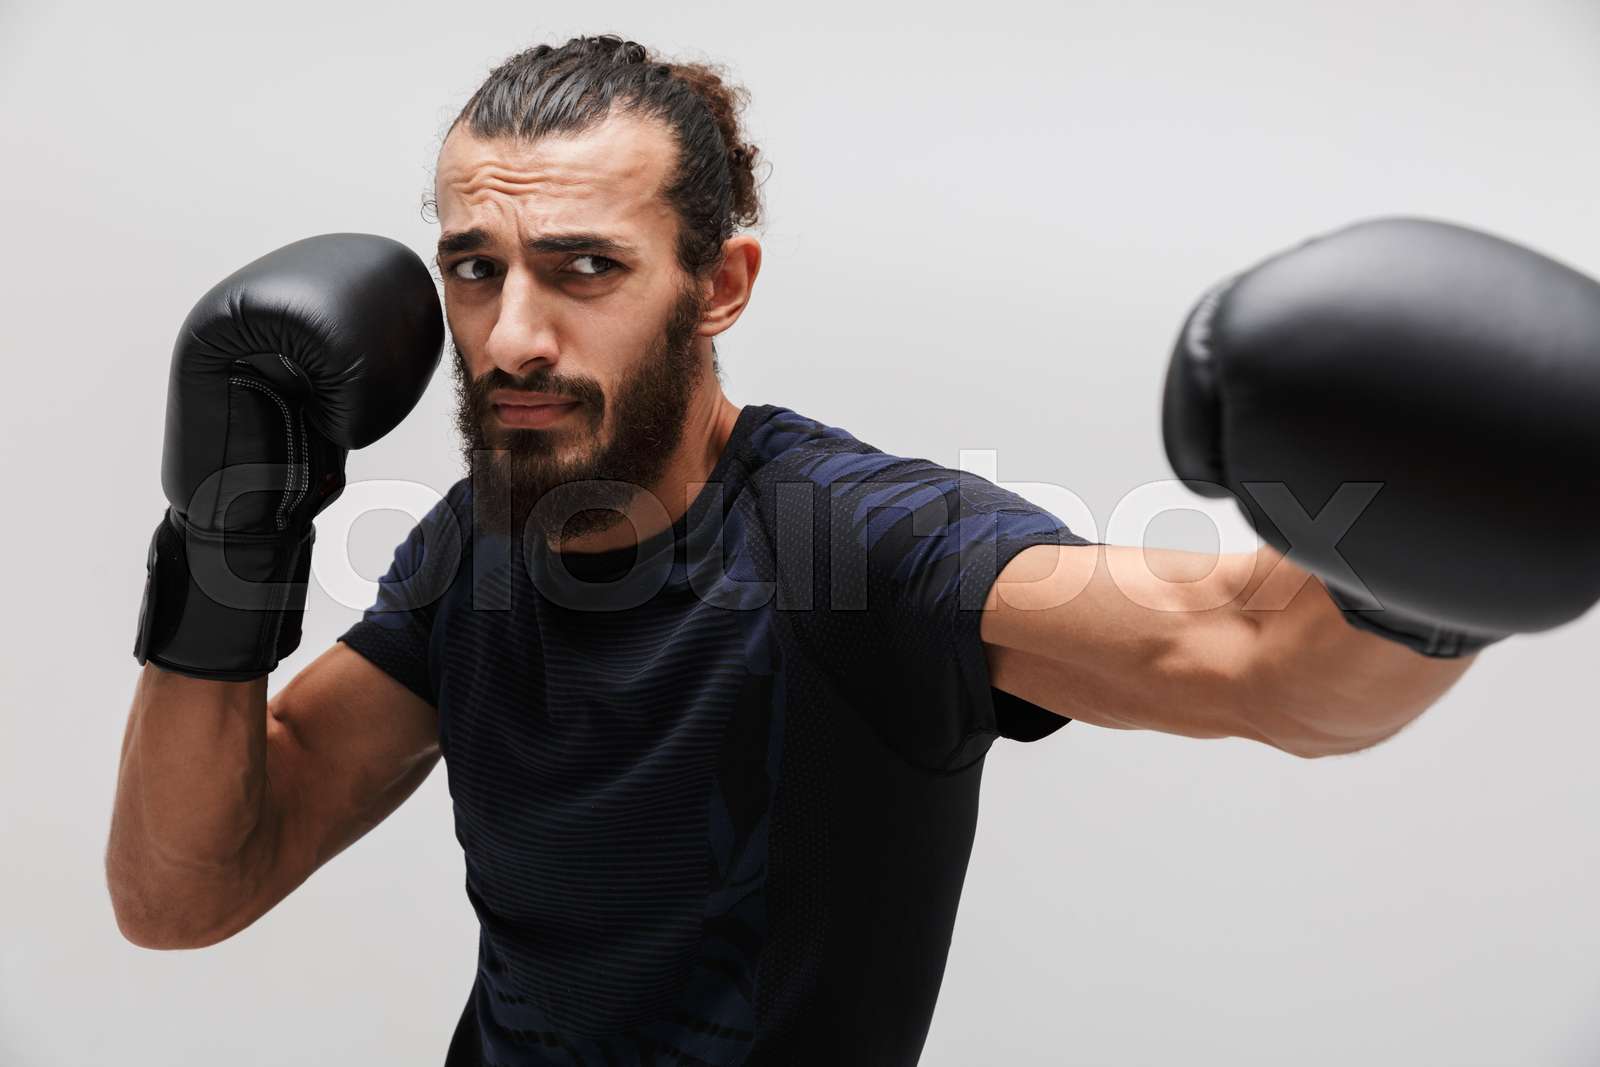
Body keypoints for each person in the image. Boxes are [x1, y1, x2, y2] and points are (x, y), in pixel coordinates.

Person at [105, 34, 1600, 1067]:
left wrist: (1429, 549)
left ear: (721, 284)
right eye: (474, 268)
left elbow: (1262, 665)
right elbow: (189, 890)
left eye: (583, 271)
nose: (510, 337)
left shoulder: (864, 540)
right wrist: (227, 533)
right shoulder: (469, 547)